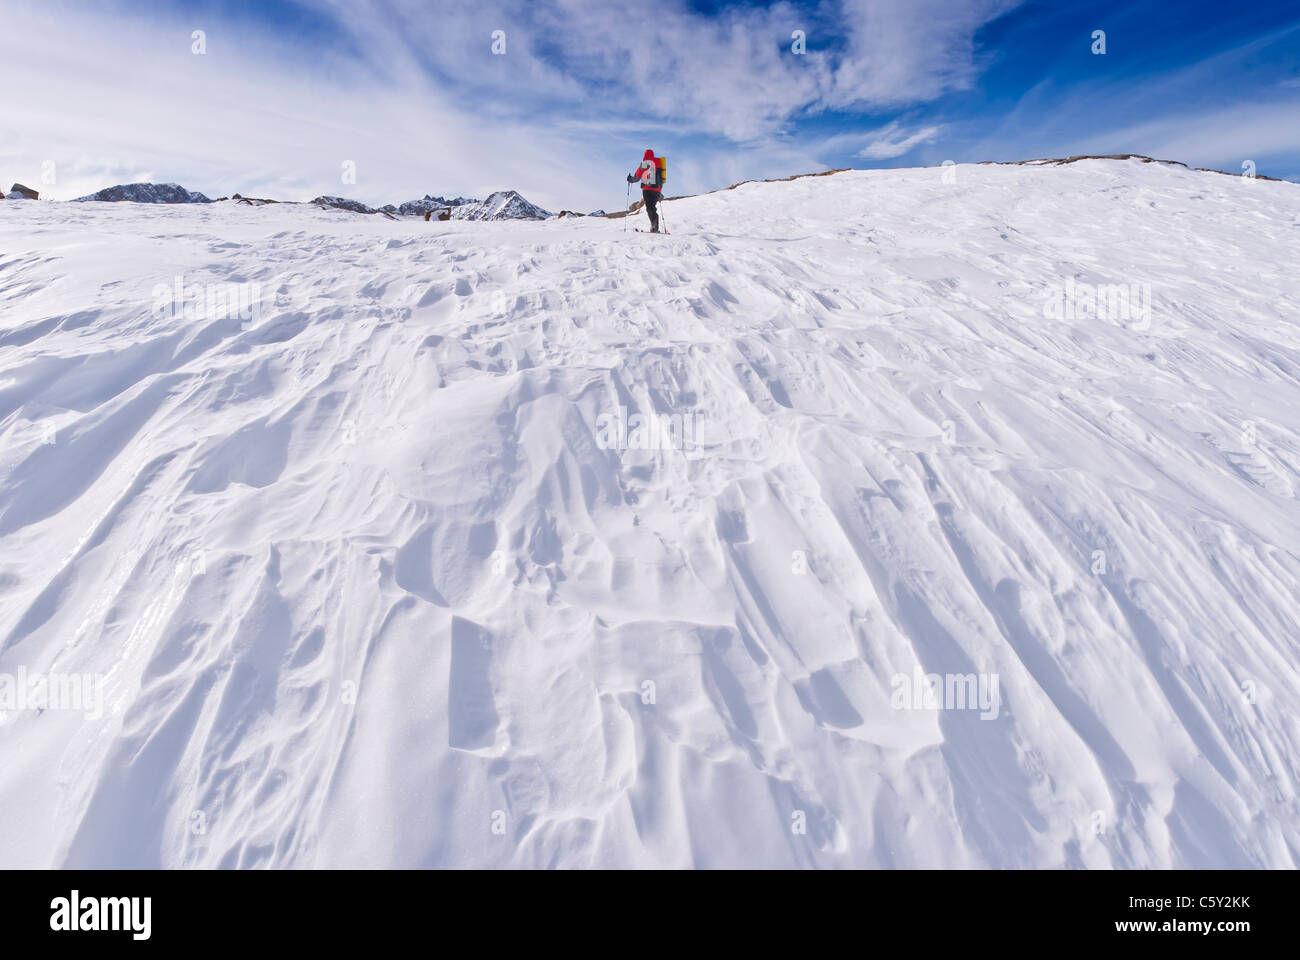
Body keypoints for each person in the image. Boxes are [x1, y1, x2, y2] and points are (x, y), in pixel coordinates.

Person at [627, 149, 662, 232]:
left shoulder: (644, 164)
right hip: (657, 189)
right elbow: (662, 177)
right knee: (652, 207)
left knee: (649, 207)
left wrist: (630, 179)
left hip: (647, 189)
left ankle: (654, 225)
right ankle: (654, 227)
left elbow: (637, 178)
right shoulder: (659, 163)